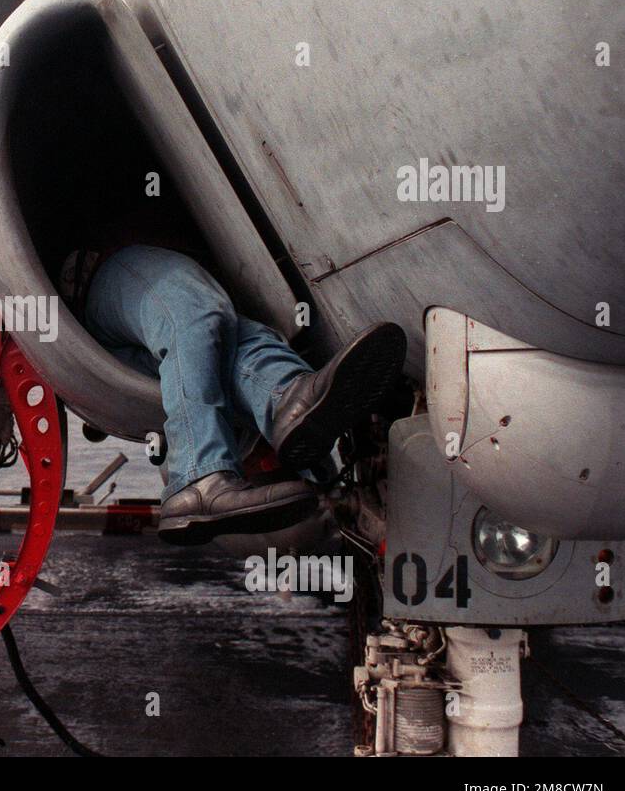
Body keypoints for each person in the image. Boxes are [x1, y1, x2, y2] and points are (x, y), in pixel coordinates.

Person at [61, 218, 405, 546]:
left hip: (140, 329)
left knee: (229, 345)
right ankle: (196, 475)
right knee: (194, 311)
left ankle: (287, 398)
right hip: (111, 266)